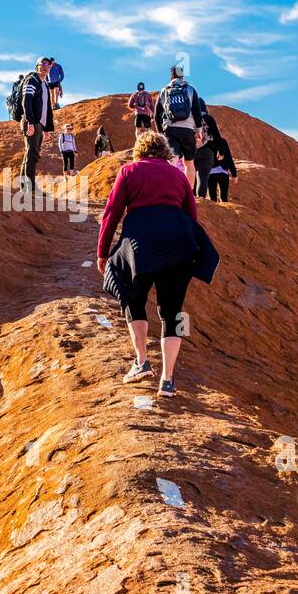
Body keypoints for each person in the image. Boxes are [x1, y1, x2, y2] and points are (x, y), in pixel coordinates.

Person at [97, 131, 218, 398]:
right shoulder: (177, 174)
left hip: (140, 246)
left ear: (140, 150)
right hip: (179, 245)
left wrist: (103, 253)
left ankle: (141, 362)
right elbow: (191, 214)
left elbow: (112, 213)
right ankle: (167, 380)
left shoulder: (129, 172)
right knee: (172, 312)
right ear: (165, 151)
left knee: (131, 296)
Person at [154, 64, 203, 191]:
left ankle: (169, 191)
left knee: (172, 161)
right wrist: (199, 130)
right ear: (182, 76)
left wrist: (161, 133)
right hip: (187, 130)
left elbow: (156, 115)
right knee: (189, 164)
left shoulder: (164, 91)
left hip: (170, 130)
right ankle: (188, 194)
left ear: (171, 76)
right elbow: (197, 112)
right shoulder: (191, 89)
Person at [17, 57, 54, 190]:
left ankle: (25, 185)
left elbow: (47, 108)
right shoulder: (32, 80)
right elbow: (26, 102)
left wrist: (47, 128)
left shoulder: (44, 84)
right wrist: (30, 122)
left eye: (49, 65)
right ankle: (29, 187)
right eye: (43, 64)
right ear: (36, 66)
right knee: (32, 154)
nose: (46, 66)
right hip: (31, 122)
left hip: (39, 124)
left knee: (31, 153)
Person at [208, 136, 238, 202]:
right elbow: (229, 157)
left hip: (210, 173)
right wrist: (234, 174)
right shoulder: (223, 141)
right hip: (223, 172)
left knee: (212, 199)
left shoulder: (205, 141)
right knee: (224, 198)